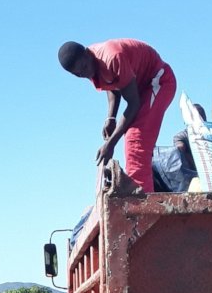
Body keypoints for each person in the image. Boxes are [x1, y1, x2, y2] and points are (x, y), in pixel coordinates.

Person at [58, 38, 177, 193]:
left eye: (85, 67)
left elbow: (133, 104)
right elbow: (112, 84)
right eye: (79, 74)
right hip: (142, 89)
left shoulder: (112, 57)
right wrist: (111, 118)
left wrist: (111, 143)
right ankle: (141, 193)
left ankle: (142, 204)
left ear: (87, 53)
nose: (85, 73)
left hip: (159, 81)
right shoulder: (92, 64)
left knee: (135, 139)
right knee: (131, 138)